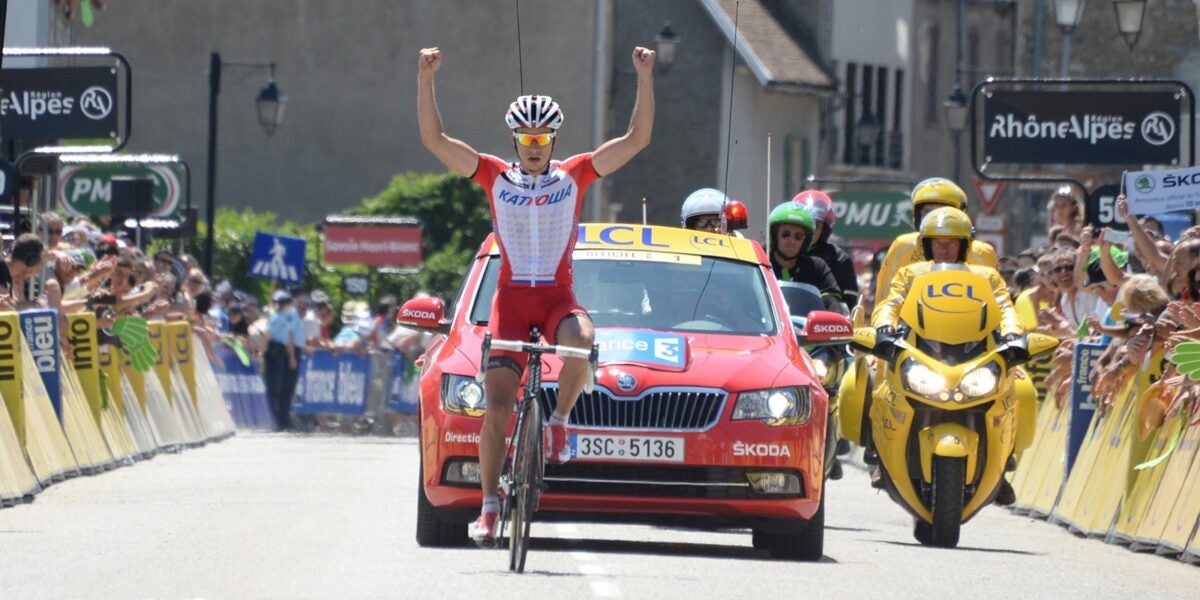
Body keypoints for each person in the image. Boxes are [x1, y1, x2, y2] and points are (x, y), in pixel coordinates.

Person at [417, 44, 655, 546]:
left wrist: (644, 76)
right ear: (515, 139)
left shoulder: (576, 173)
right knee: (497, 404)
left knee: (580, 340)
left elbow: (636, 140)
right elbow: (434, 140)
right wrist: (426, 77)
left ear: (553, 140)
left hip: (555, 296)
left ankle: (562, 420)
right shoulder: (492, 174)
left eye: (541, 137)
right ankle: (487, 507)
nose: (533, 145)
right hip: (510, 297)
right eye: (525, 137)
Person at [872, 207, 1023, 504]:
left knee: (1023, 391)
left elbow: (1005, 307)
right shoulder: (910, 273)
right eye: (937, 242)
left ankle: (1004, 464)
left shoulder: (987, 276)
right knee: (876, 385)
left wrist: (1014, 333)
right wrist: (884, 326)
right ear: (926, 245)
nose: (944, 247)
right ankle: (877, 456)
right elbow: (892, 302)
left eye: (952, 241)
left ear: (964, 245)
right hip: (921, 351)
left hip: (975, 355)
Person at [872, 177, 997, 317]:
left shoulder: (982, 251)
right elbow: (885, 295)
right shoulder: (903, 246)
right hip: (911, 327)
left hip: (967, 324)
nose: (935, 217)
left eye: (943, 211)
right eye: (927, 211)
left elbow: (993, 298)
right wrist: (884, 325)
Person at [766, 201, 843, 311]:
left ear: (806, 241)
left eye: (798, 237)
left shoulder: (817, 267)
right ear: (774, 236)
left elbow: (831, 301)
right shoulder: (760, 263)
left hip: (806, 327)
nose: (791, 241)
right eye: (785, 234)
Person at [792, 190, 860, 311]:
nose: (810, 229)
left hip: (823, 324)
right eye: (804, 223)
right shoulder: (772, 253)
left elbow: (849, 308)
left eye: (815, 224)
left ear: (825, 229)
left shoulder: (839, 259)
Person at [264, 290, 306, 431]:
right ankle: (280, 420)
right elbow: (285, 336)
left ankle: (283, 420)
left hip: (286, 350)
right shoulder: (278, 317)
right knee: (279, 387)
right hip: (279, 350)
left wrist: (293, 356)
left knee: (285, 388)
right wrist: (292, 357)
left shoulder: (289, 315)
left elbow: (291, 336)